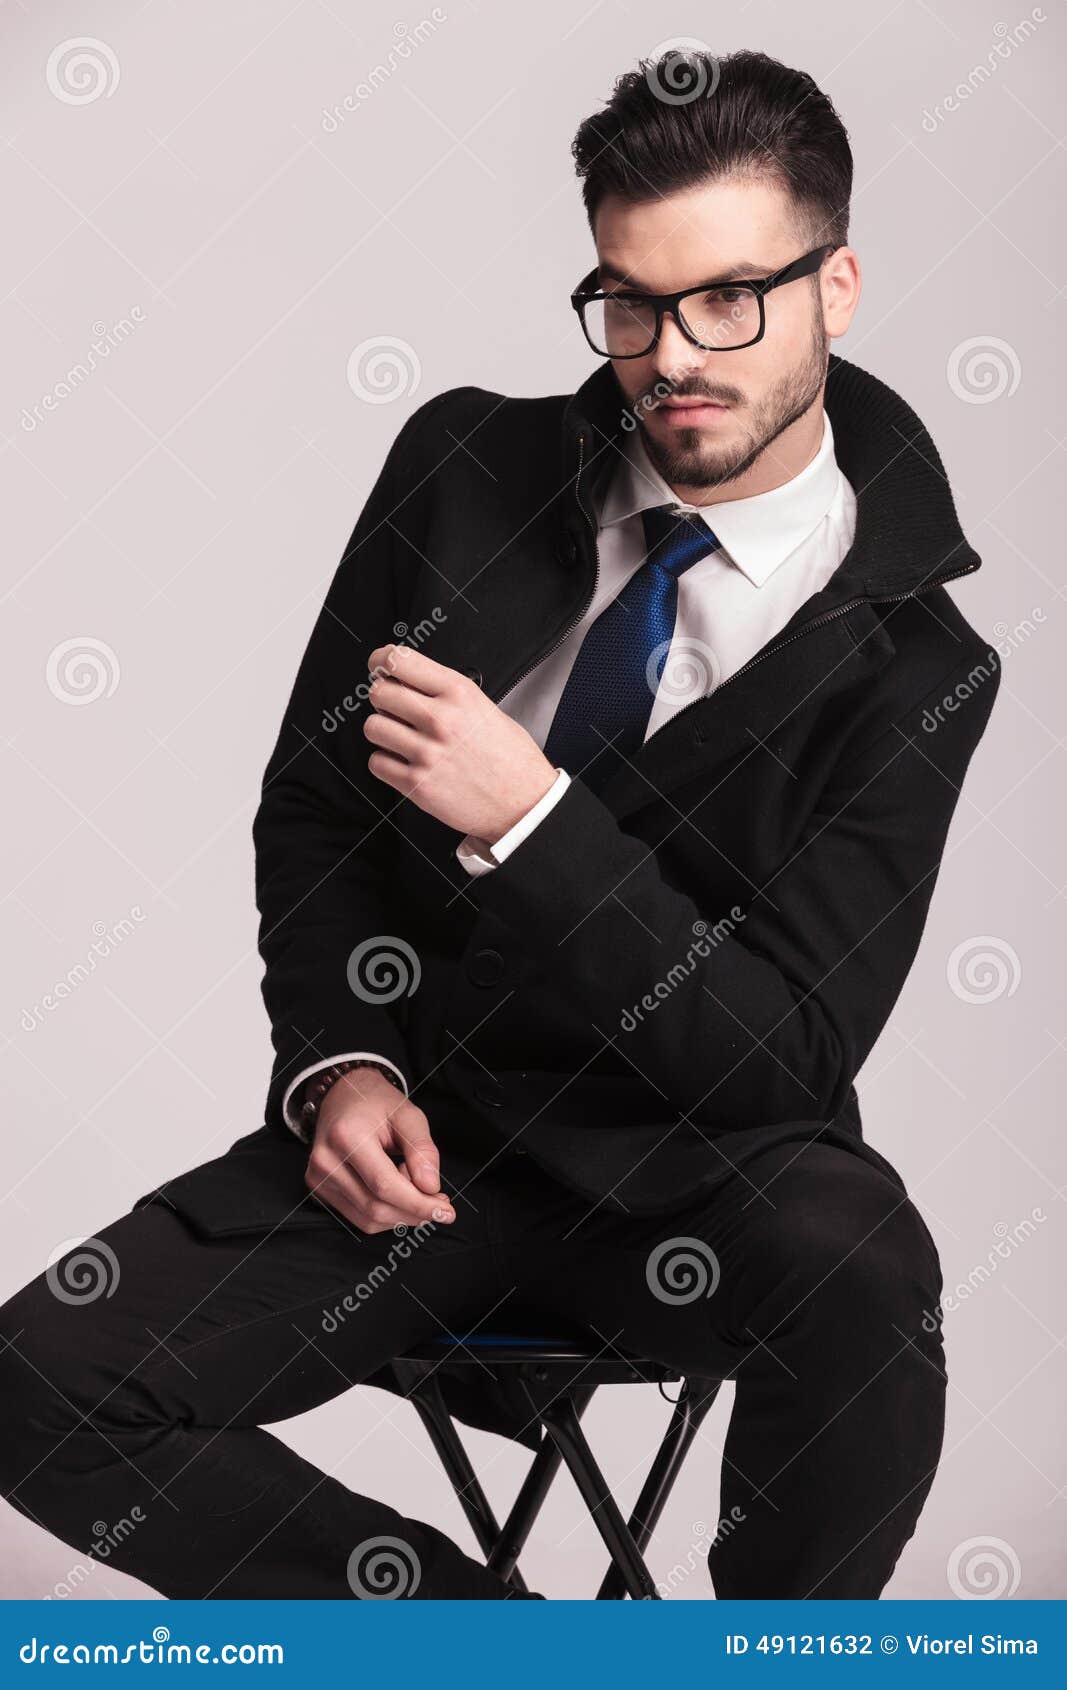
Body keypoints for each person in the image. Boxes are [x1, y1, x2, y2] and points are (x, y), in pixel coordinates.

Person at [0, 48, 999, 1600]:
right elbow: (319, 807)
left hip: (705, 1175)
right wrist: (343, 1061)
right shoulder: (465, 466)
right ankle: (490, 1646)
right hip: (422, 1156)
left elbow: (786, 1052)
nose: (672, 354)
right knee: (36, 1373)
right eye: (629, 303)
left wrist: (532, 819)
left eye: (728, 298)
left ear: (837, 285)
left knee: (871, 1277)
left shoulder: (919, 660)